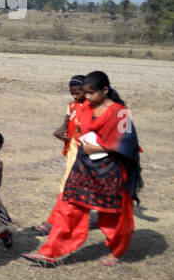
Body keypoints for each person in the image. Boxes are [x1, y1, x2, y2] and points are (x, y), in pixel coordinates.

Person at [25, 71, 141, 267]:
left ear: (105, 90)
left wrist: (98, 147)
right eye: (85, 93)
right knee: (68, 207)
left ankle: (116, 251)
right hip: (84, 166)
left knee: (112, 214)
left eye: (91, 93)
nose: (86, 97)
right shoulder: (86, 107)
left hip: (110, 170)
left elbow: (127, 144)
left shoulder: (120, 113)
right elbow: (79, 127)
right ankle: (49, 252)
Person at [35, 74, 88, 235]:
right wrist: (59, 132)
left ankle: (52, 223)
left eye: (78, 93)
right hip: (73, 151)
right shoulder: (72, 106)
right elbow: (65, 125)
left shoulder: (91, 108)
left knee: (68, 189)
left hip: (85, 154)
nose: (75, 96)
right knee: (69, 189)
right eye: (72, 93)